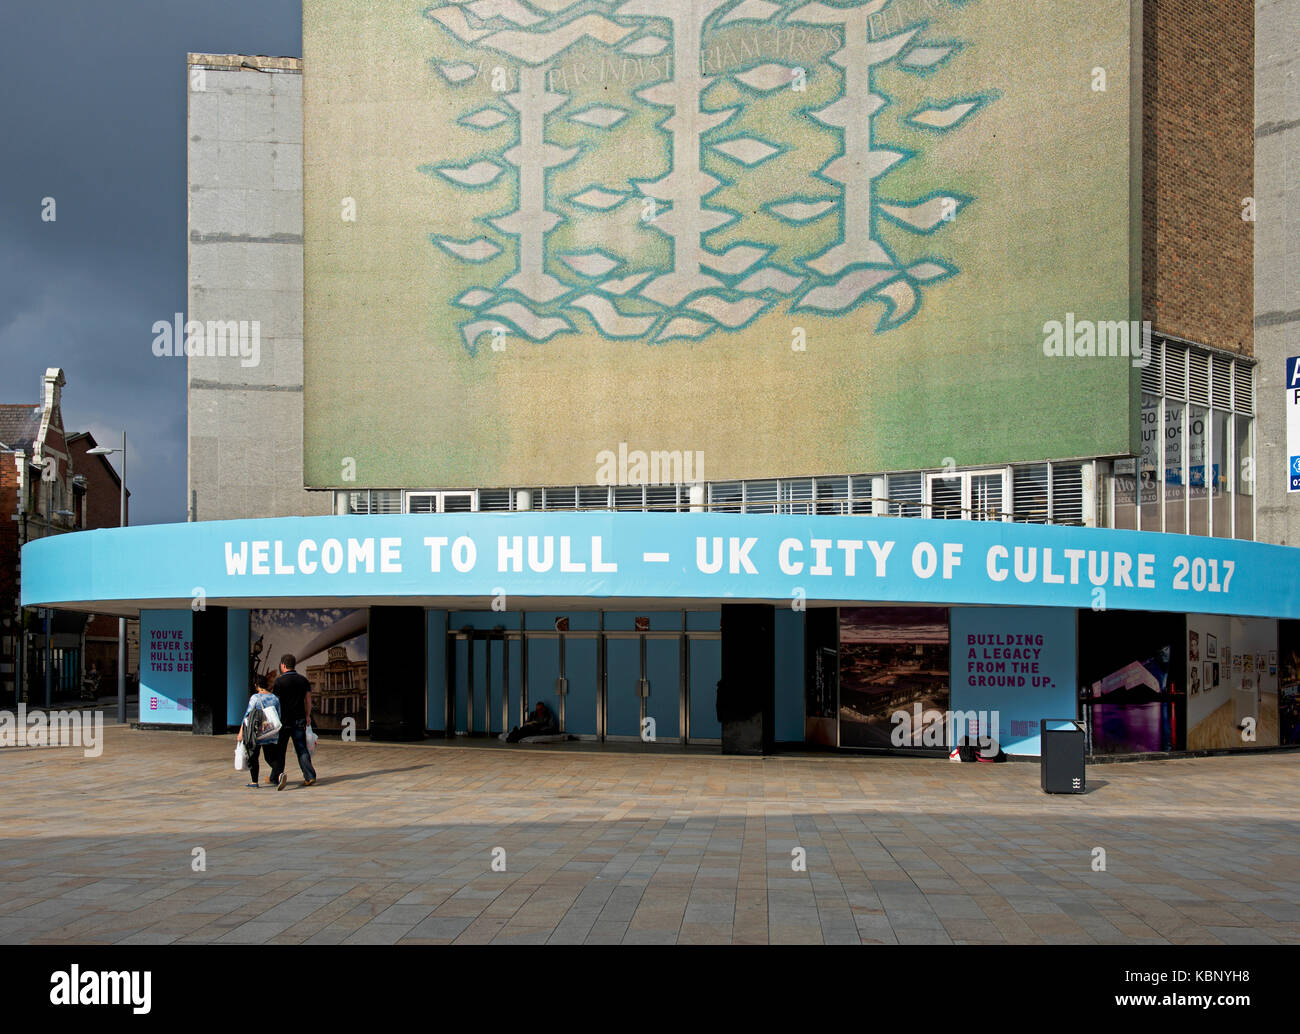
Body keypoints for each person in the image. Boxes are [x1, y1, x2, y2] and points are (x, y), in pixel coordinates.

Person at [269, 653, 317, 789]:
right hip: (299, 719)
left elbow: (275, 702)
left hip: (283, 721)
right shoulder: (303, 680)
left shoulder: (279, 682)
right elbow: (308, 700)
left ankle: (277, 777)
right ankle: (309, 776)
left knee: (280, 750)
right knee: (301, 748)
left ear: (283, 665)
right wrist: (308, 715)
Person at [237, 672, 282, 788]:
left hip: (256, 732)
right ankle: (280, 774)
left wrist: (241, 732)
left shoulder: (255, 698)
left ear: (256, 685)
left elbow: (247, 715)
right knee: (270, 757)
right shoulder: (274, 698)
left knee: (254, 756)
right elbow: (279, 715)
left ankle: (254, 781)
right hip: (270, 731)